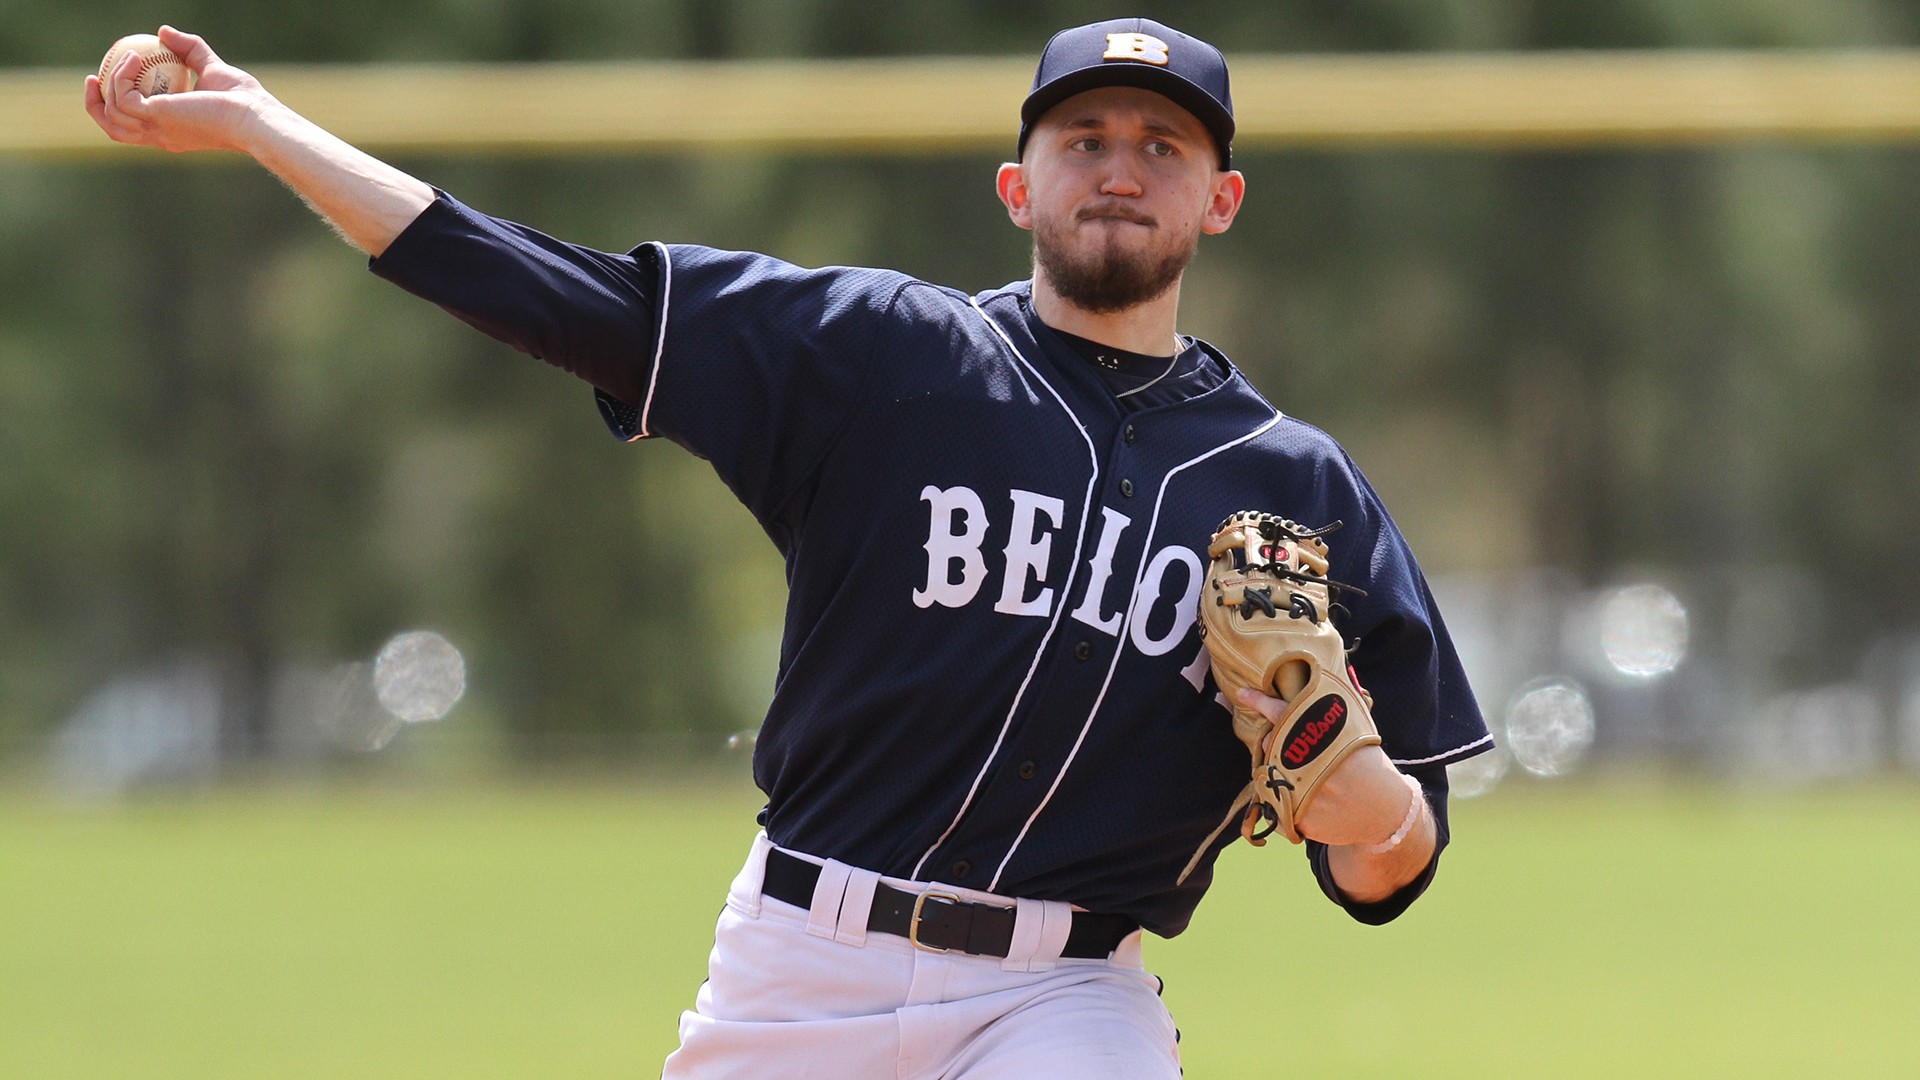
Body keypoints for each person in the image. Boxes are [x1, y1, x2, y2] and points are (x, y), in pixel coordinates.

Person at [87, 18, 1491, 1078]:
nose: (1121, 172)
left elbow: (1392, 872)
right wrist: (270, 126)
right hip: (801, 965)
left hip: (1064, 1001)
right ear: (1018, 186)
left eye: (1163, 147)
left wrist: (1349, 784)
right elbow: (553, 294)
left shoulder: (1295, 489)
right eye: (1086, 142)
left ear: (1219, 200)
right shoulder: (882, 355)